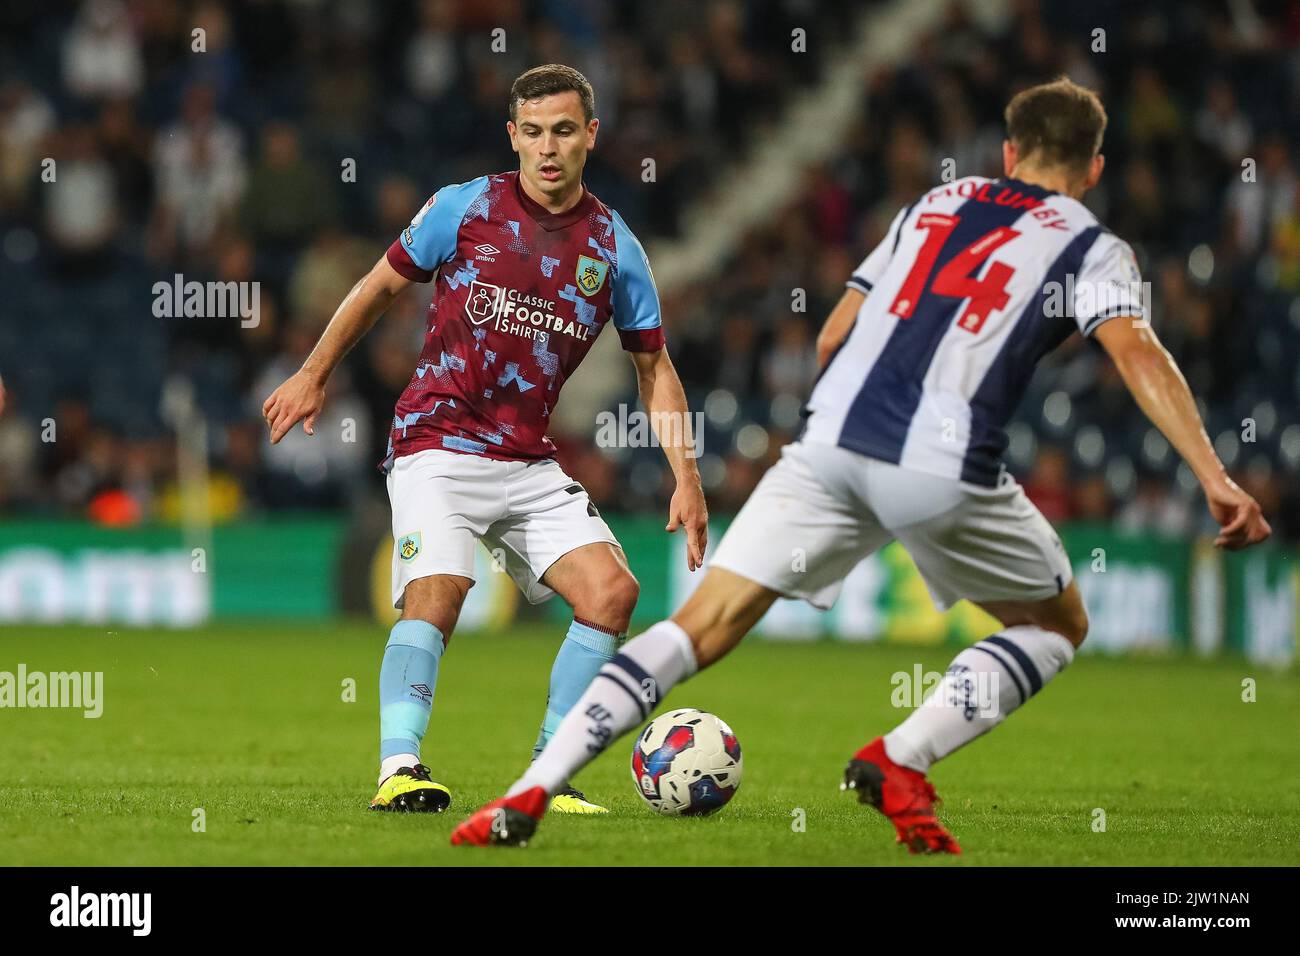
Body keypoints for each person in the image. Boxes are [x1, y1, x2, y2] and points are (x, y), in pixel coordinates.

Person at [450, 77, 1271, 851]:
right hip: (944, 464)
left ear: (1010, 154)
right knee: (1057, 627)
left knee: (697, 628)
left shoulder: (936, 203)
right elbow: (1136, 350)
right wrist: (1215, 476)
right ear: (1093, 168)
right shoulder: (1094, 247)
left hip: (829, 446)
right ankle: (901, 756)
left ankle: (532, 787)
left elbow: (835, 329)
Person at [262, 64, 707, 816]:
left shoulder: (614, 247)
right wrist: (314, 372)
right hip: (437, 440)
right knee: (438, 593)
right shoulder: (463, 208)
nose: (548, 148)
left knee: (612, 593)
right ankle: (400, 768)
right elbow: (376, 287)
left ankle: (545, 777)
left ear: (590, 136)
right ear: (513, 136)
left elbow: (653, 367)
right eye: (532, 132)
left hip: (527, 457)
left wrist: (685, 476)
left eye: (564, 131)